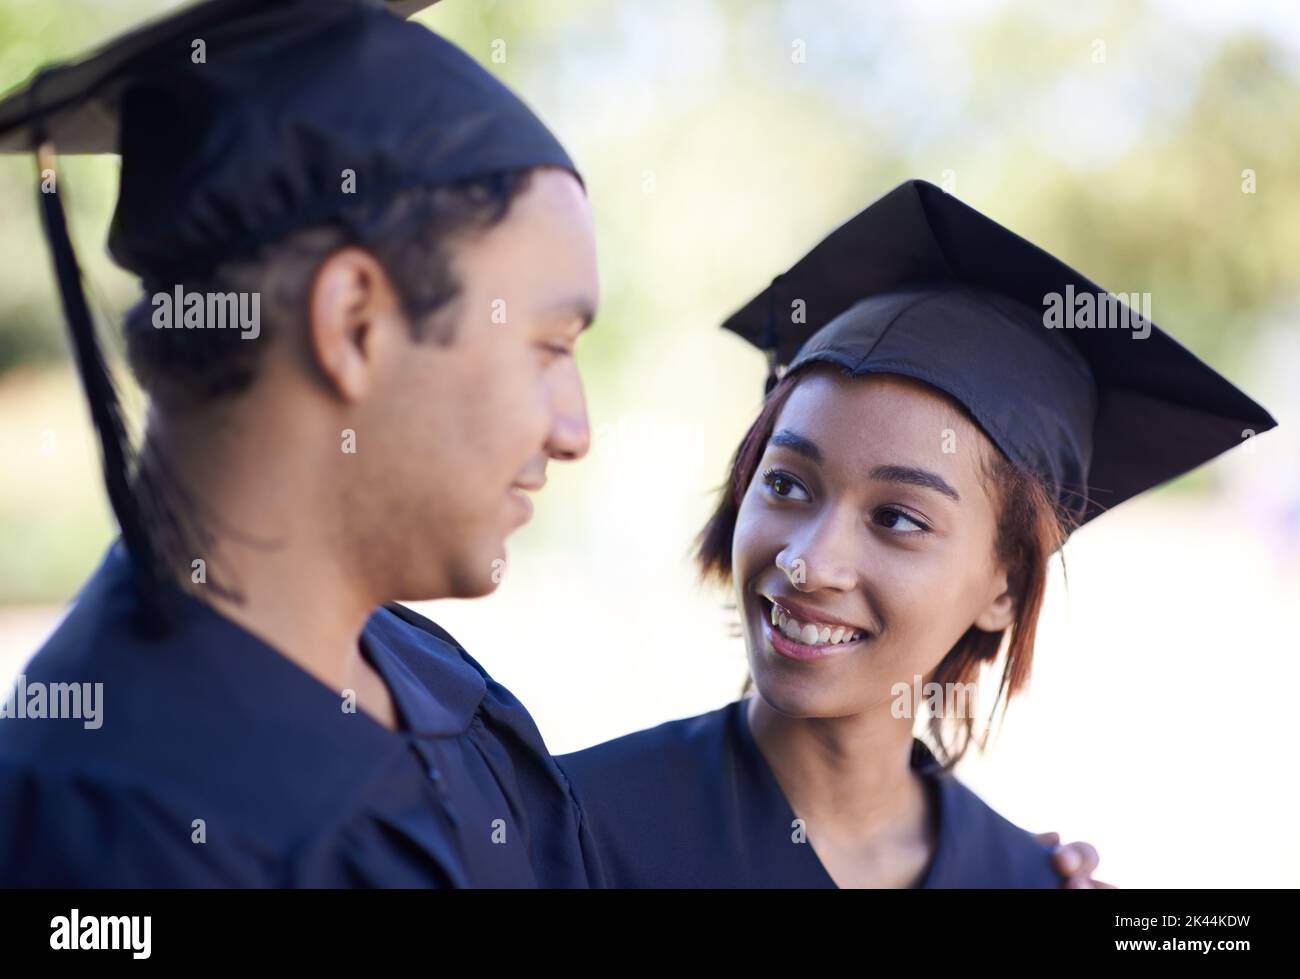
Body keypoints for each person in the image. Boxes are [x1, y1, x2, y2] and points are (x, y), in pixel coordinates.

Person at [0, 0, 600, 887]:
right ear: (353, 324)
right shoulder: (107, 833)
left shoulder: (429, 679)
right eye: (548, 347)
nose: (575, 429)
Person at [556, 179, 1277, 887]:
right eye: (785, 483)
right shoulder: (566, 831)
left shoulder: (1022, 881)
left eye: (897, 517)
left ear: (1008, 586)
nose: (809, 560)